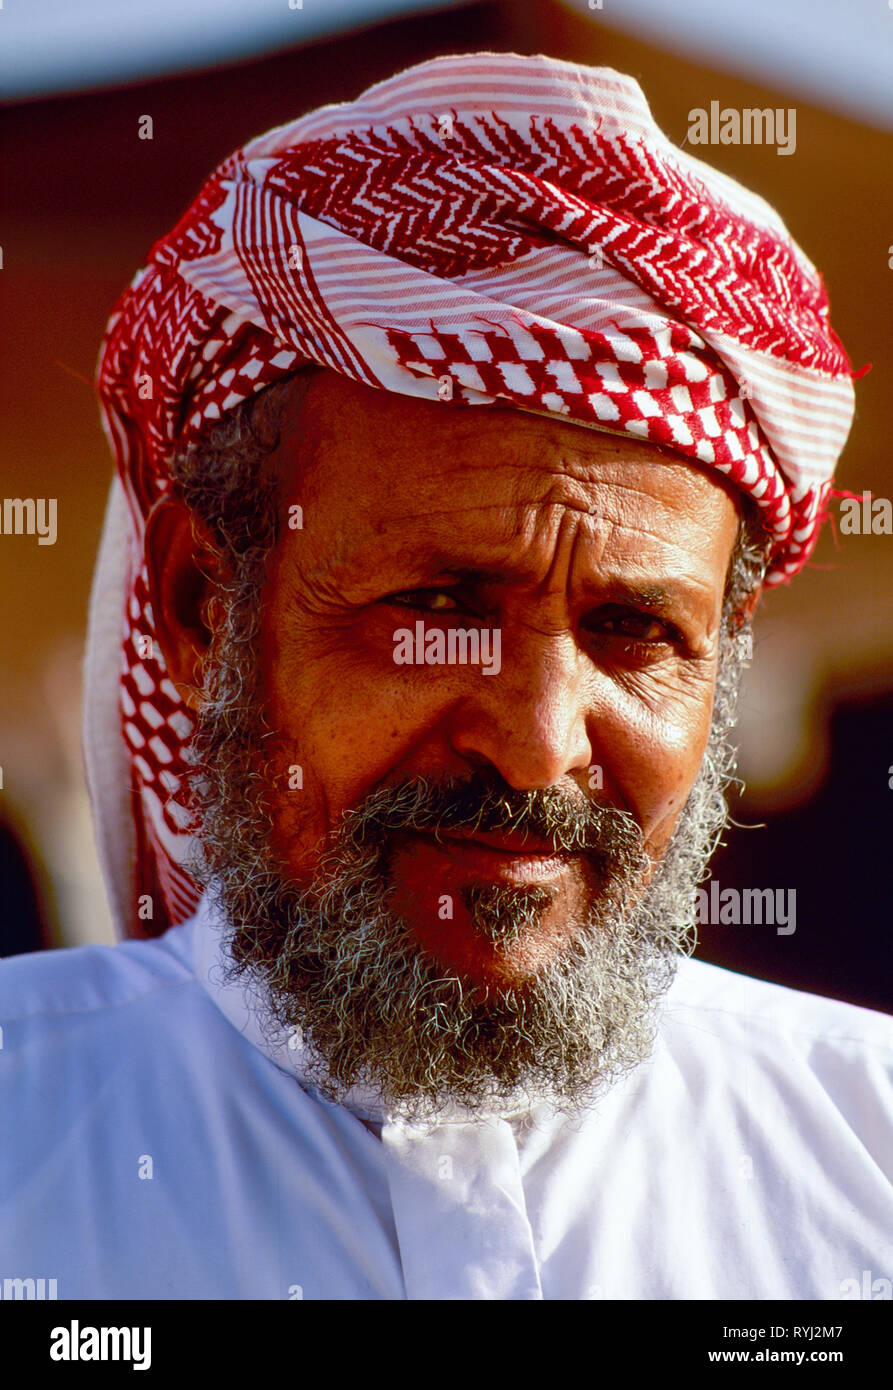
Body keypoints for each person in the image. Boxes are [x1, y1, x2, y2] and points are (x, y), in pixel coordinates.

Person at [1, 52, 889, 1301]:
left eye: (634, 629)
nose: (534, 744)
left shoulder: (866, 1160)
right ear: (207, 609)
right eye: (434, 607)